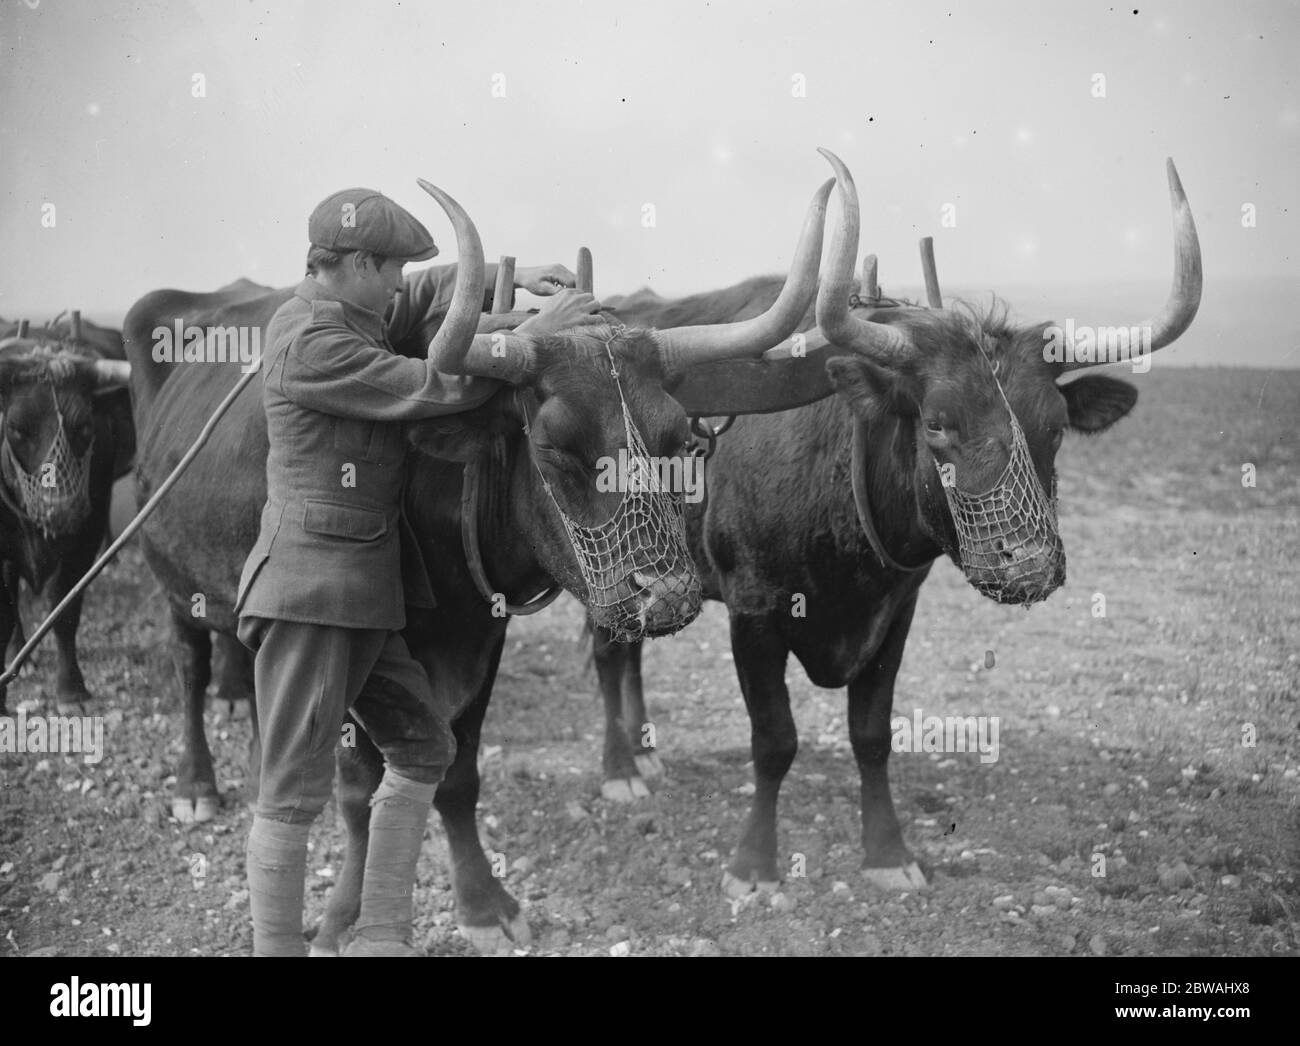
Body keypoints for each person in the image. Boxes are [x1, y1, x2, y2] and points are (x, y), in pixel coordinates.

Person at [235, 186, 601, 956]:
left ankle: (381, 937)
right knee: (291, 791)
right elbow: (432, 387)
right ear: (358, 265)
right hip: (313, 593)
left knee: (426, 749)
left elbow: (429, 297)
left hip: (370, 592)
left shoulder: (354, 310)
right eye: (395, 267)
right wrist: (535, 337)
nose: (405, 281)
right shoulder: (311, 341)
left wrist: (522, 274)